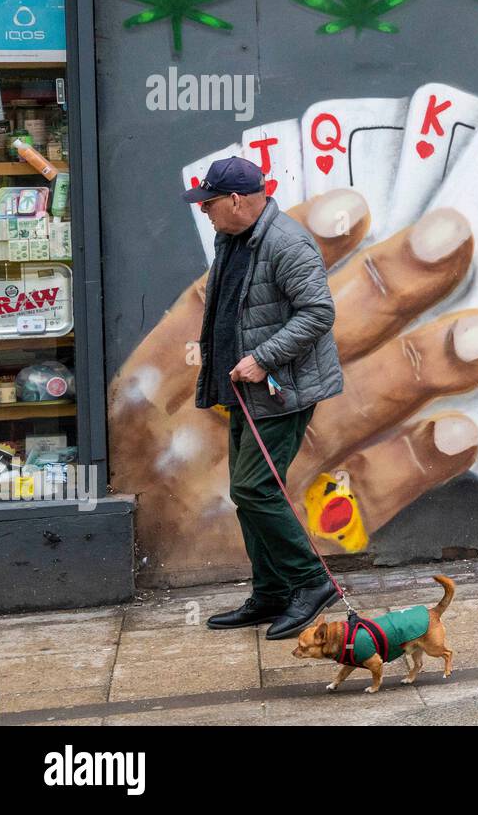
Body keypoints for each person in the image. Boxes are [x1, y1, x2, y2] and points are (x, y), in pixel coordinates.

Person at [182, 156, 344, 639]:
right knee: (248, 494)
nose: (204, 211)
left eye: (209, 203)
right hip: (242, 388)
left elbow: (317, 313)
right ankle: (271, 591)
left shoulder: (287, 243)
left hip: (280, 389)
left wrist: (264, 358)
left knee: (255, 489)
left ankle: (312, 582)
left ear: (235, 200)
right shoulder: (231, 237)